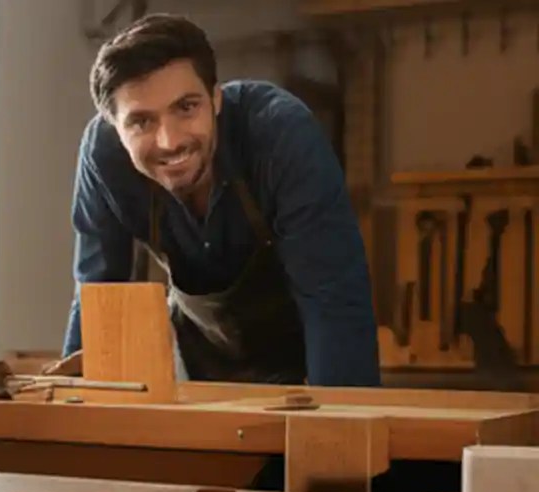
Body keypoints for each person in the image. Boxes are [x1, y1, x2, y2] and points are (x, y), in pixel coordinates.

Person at [60, 13, 381, 388]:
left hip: (308, 360)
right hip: (198, 363)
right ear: (115, 128)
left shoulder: (279, 135)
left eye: (186, 107)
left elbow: (335, 302)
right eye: (142, 122)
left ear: (216, 98)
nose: (170, 141)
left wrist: (338, 431)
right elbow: (98, 300)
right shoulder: (102, 158)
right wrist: (71, 414)